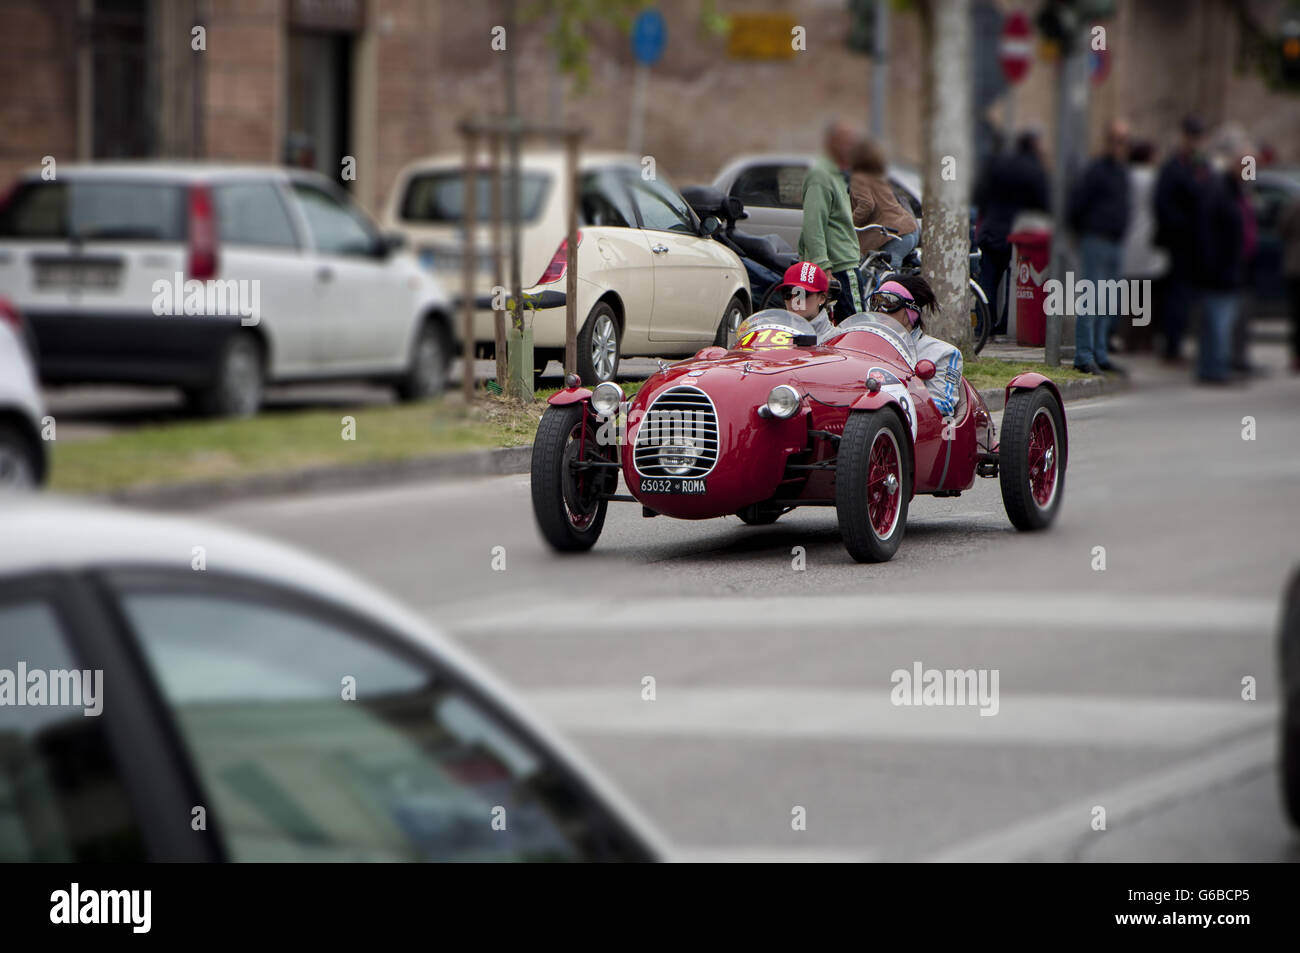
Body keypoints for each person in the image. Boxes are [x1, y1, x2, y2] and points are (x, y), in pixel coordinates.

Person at [1068, 118, 1132, 375]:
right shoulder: (1097, 170)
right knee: (1092, 300)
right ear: (1108, 142)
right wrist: (1082, 232)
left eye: (1125, 141)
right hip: (1096, 239)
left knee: (1109, 301)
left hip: (1115, 242)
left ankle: (1101, 353)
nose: (1121, 146)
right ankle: (1084, 355)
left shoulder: (1121, 172)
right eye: (1117, 140)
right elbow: (1077, 204)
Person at [973, 126, 1050, 335]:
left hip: (991, 228)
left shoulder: (996, 164)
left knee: (987, 280)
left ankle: (983, 326)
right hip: (1019, 232)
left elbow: (978, 194)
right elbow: (1043, 201)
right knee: (1014, 282)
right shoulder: (1033, 169)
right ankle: (1006, 325)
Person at [1154, 114, 1212, 363]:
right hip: (1178, 242)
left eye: (1199, 137)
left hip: (1197, 242)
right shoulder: (1174, 167)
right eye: (1193, 136)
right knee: (1176, 296)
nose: (1196, 142)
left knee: (1187, 297)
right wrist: (1182, 227)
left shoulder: (1201, 166)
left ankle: (1181, 344)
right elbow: (1162, 204)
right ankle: (1172, 346)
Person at [798, 120, 865, 323]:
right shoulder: (821, 175)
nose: (851, 148)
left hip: (840, 265)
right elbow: (813, 224)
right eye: (845, 143)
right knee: (856, 328)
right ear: (830, 145)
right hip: (838, 268)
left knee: (835, 331)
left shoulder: (836, 174)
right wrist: (823, 266)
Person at [867, 275, 962, 418]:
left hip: (919, 433)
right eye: (876, 301)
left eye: (889, 302)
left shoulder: (943, 353)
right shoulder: (865, 346)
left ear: (911, 310)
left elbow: (942, 406)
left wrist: (888, 406)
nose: (880, 310)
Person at [1194, 157, 1244, 385]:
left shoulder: (1231, 190)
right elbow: (1212, 232)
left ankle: (1211, 367)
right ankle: (1215, 368)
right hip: (1219, 270)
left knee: (1215, 321)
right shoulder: (1221, 191)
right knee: (1218, 322)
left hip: (1222, 267)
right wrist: (1212, 264)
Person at [1119, 138, 1168, 353]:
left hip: (1128, 239)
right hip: (1149, 239)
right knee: (1148, 294)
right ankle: (1144, 340)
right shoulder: (1154, 178)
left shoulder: (1125, 176)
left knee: (1131, 294)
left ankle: (1129, 339)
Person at [848, 138, 919, 270]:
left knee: (887, 280)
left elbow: (866, 204)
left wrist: (849, 223)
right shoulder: (877, 174)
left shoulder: (858, 178)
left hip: (893, 236)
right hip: (909, 229)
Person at [776, 261, 837, 343]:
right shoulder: (772, 335)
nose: (794, 301)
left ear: (822, 298)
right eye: (787, 294)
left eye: (801, 294)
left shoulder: (836, 341)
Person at [1280, 193, 1300, 374]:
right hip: (1296, 269)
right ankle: (1296, 357)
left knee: (1296, 316)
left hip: (1295, 267)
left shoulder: (1295, 204)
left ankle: (1296, 357)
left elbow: (1282, 229)